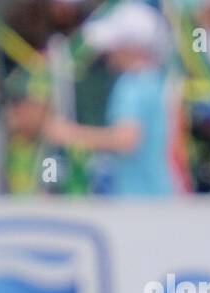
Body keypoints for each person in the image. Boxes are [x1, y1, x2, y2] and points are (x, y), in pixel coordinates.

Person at [42, 1, 185, 197]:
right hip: (160, 192)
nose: (109, 53)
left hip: (139, 200)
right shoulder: (155, 81)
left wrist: (69, 133)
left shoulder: (132, 85)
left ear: (131, 46)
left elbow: (126, 139)